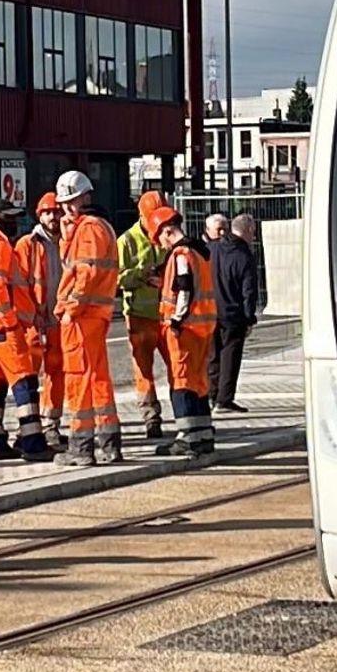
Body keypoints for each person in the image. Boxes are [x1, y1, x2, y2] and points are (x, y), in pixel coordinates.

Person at [0, 198, 53, 461]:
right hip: (4, 327)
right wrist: (9, 321)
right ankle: (32, 441)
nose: (15, 222)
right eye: (9, 217)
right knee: (24, 380)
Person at [54, 170, 122, 467]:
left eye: (73, 200)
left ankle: (81, 448)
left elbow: (86, 273)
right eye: (65, 203)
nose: (68, 207)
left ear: (86, 197)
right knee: (97, 380)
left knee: (79, 379)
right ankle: (109, 443)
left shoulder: (89, 228)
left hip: (82, 317)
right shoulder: (96, 227)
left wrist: (72, 309)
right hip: (94, 315)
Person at [146, 207, 217, 456]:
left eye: (160, 239)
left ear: (167, 231)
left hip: (184, 329)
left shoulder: (181, 253)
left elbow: (185, 287)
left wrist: (176, 318)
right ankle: (203, 434)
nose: (161, 245)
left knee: (181, 381)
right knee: (199, 381)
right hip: (203, 327)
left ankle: (186, 437)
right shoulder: (199, 251)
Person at [116, 190, 170, 440]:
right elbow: (115, 278)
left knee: (178, 367)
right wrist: (141, 275)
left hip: (167, 315)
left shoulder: (167, 236)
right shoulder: (127, 241)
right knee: (144, 371)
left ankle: (185, 412)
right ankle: (151, 417)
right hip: (139, 315)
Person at [17, 192, 68, 451]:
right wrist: (30, 315)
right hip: (34, 323)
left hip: (59, 321)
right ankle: (27, 427)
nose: (54, 217)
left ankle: (51, 424)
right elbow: (20, 284)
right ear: (40, 215)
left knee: (57, 374)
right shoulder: (28, 245)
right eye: (48, 212)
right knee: (28, 376)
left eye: (57, 212)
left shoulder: (69, 242)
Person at [209, 213, 261, 413]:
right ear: (247, 231)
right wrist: (249, 318)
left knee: (212, 357)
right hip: (234, 315)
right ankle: (224, 399)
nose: (253, 238)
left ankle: (211, 396)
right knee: (230, 357)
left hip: (211, 311)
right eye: (253, 233)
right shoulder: (244, 255)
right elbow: (249, 291)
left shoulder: (213, 249)